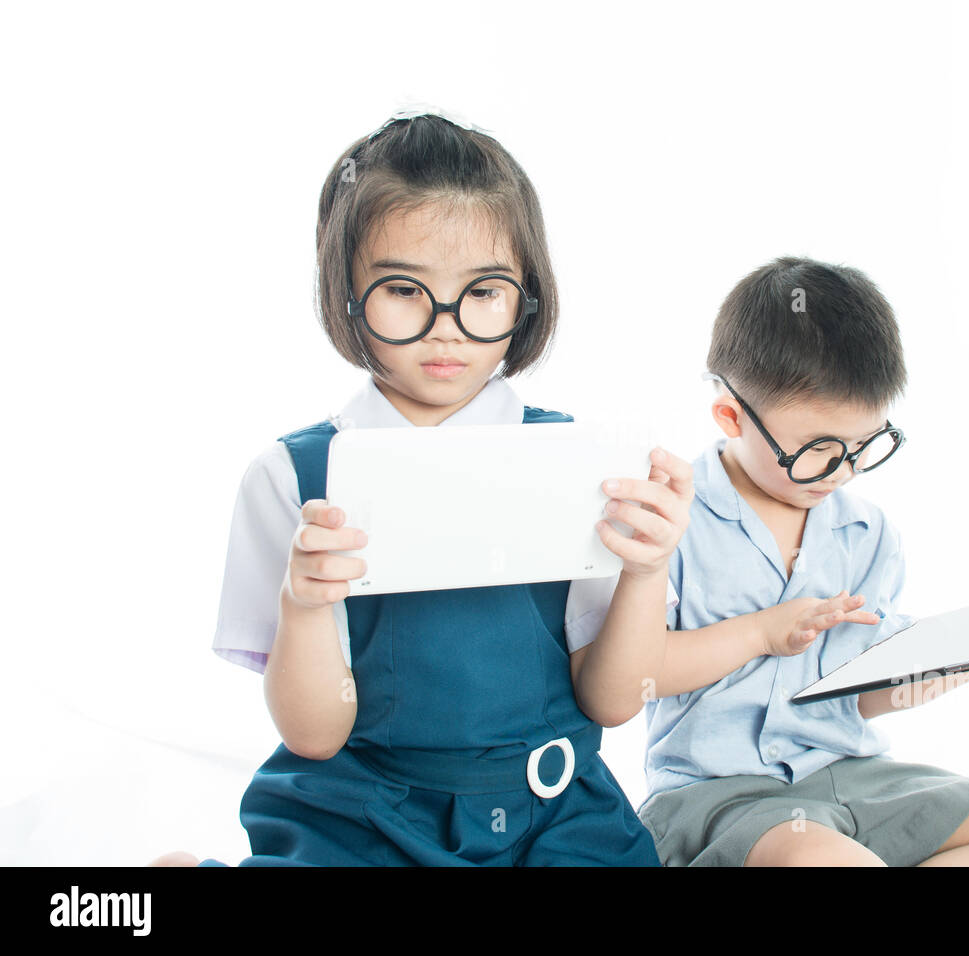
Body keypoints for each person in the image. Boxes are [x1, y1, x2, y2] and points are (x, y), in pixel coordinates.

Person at [174, 109, 692, 867]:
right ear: (346, 292)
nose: (445, 327)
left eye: (482, 292)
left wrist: (646, 571)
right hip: (361, 820)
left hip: (553, 818)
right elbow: (313, 734)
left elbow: (612, 702)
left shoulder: (574, 459)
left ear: (526, 296)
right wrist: (305, 605)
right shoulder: (293, 477)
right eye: (403, 290)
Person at [570, 257, 969, 866]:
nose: (842, 471)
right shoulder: (671, 519)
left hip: (853, 779)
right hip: (721, 797)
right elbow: (625, 688)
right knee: (821, 858)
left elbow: (860, 697)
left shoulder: (866, 533)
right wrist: (762, 632)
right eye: (818, 449)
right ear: (731, 416)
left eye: (863, 446)